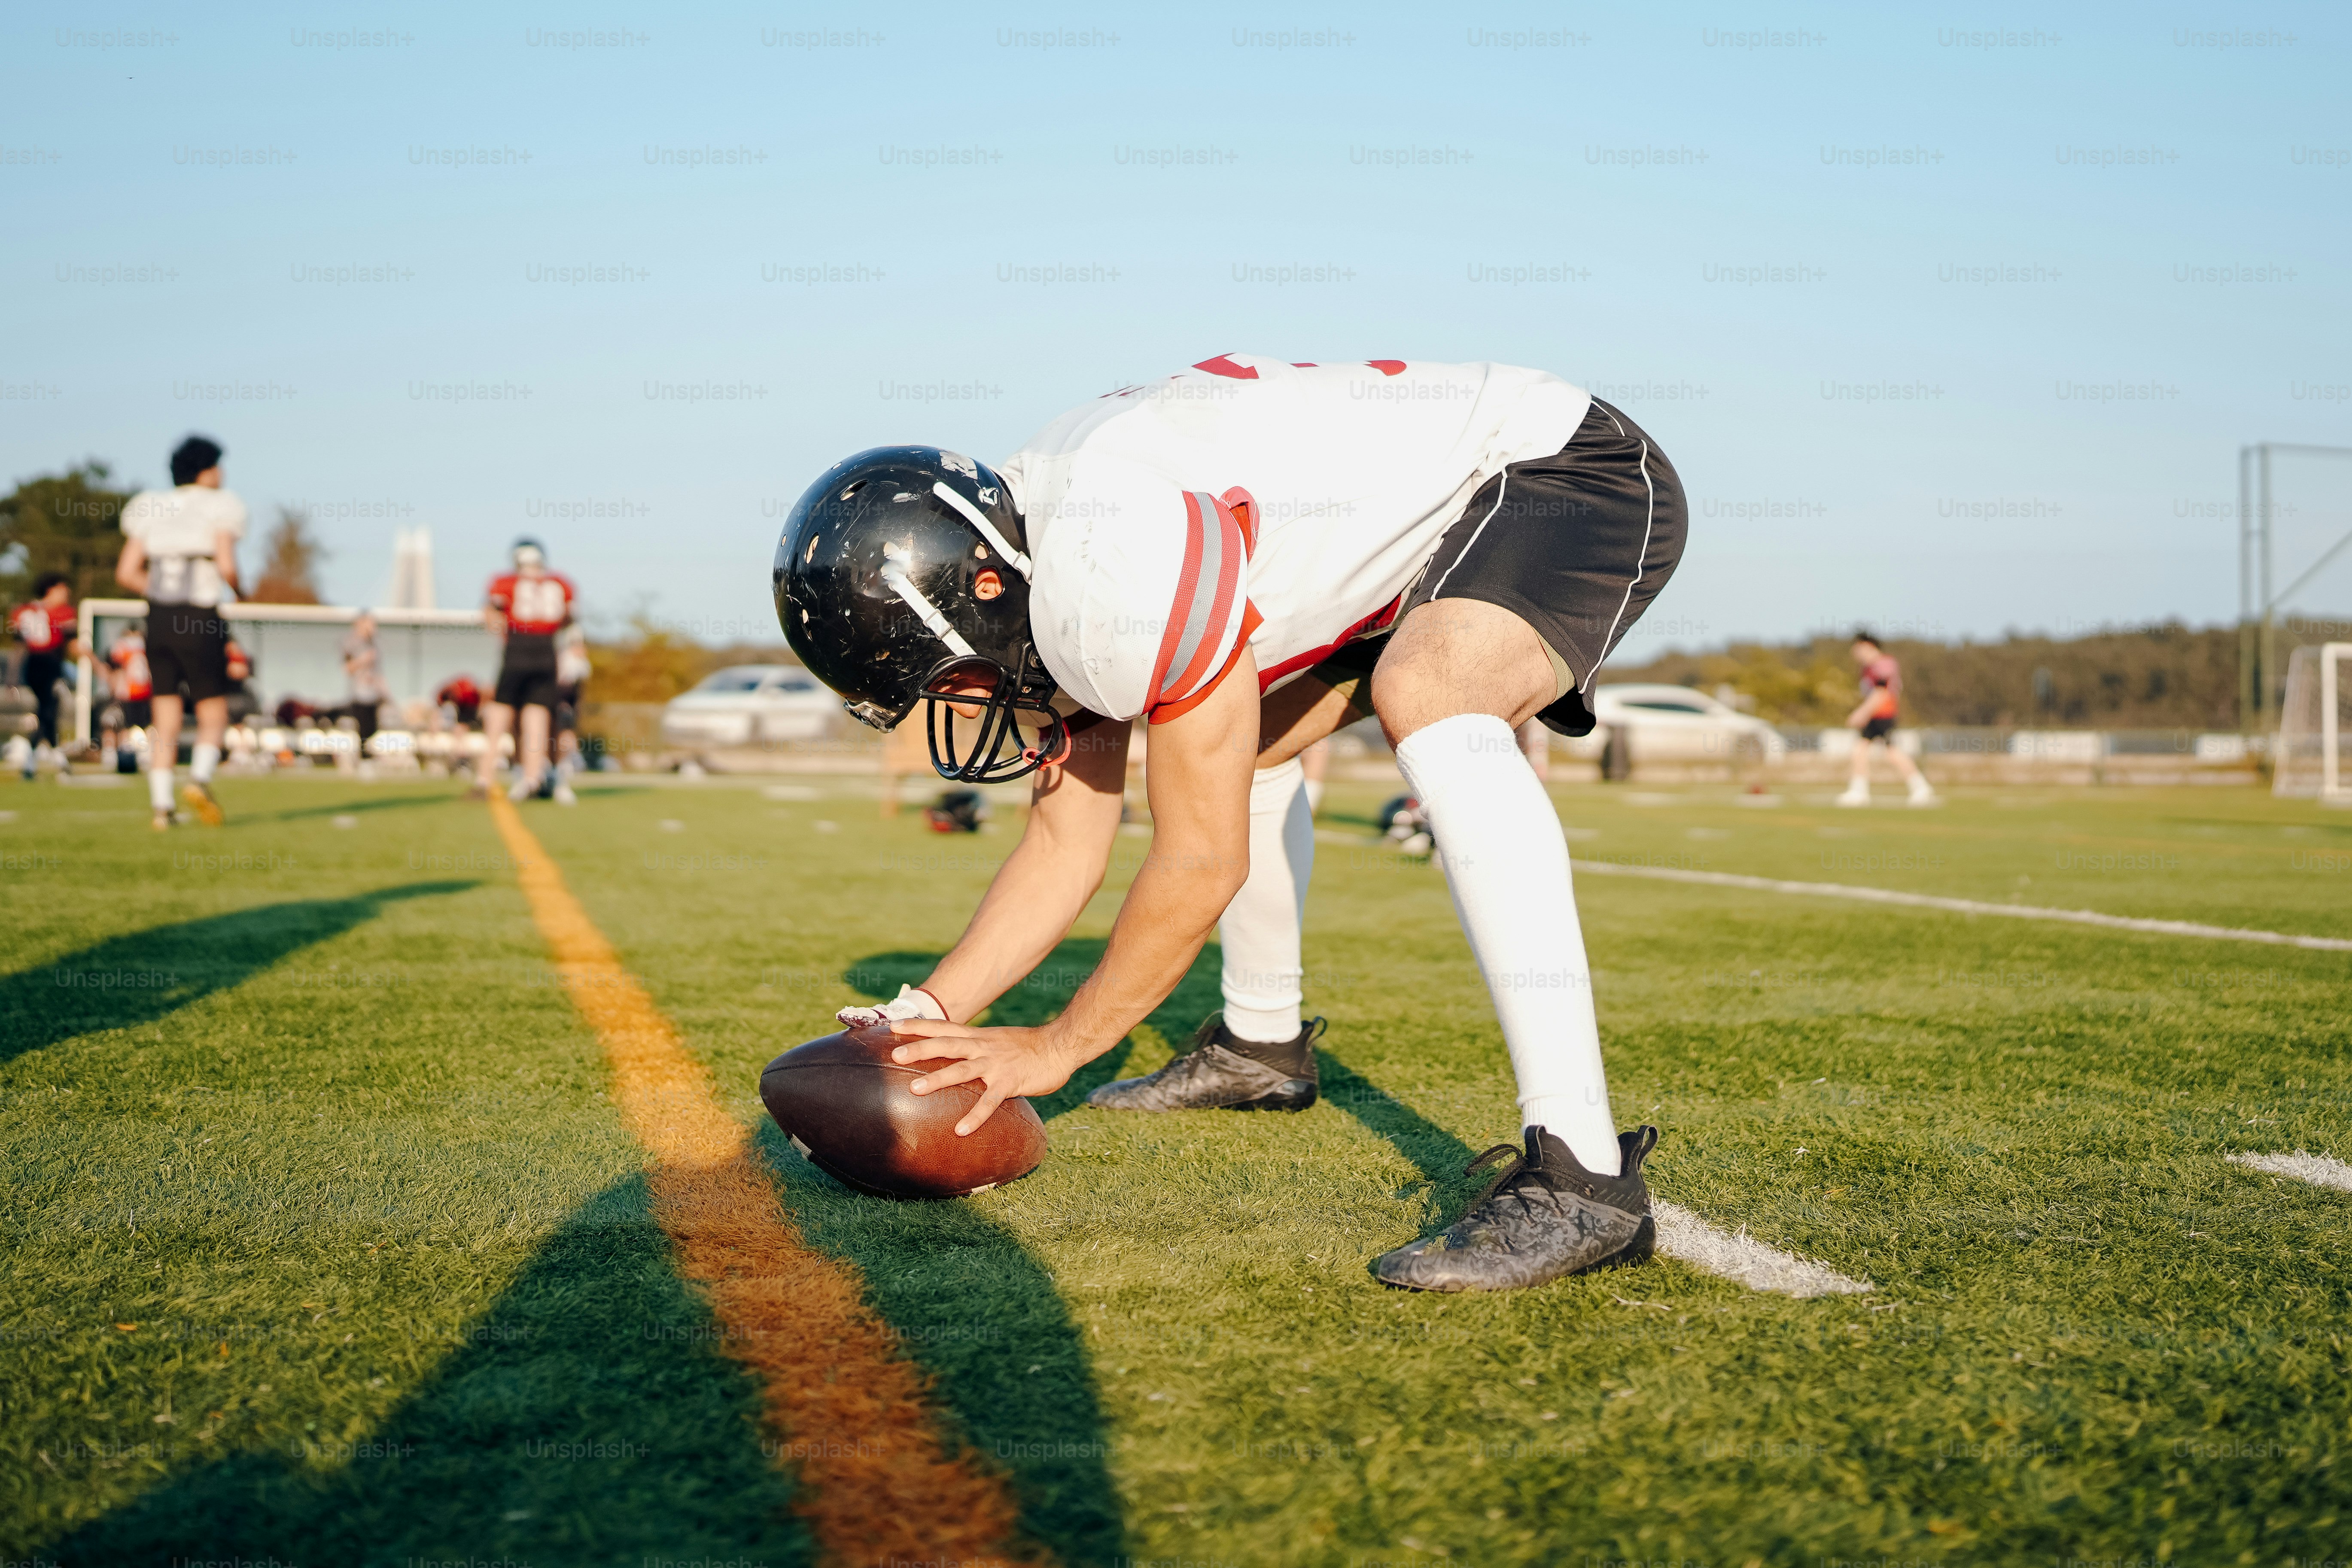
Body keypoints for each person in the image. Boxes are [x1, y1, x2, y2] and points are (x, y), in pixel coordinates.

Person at [784, 354, 1686, 1293]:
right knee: (1240, 751)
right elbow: (1062, 841)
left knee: (1429, 691)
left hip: (1553, 468)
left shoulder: (1110, 565)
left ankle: (1583, 1174)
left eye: (952, 679)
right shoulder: (1024, 556)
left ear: (975, 593)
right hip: (1399, 535)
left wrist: (1057, 1044)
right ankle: (1260, 1046)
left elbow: (1200, 860)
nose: (966, 707)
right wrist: (924, 1016)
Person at [116, 435, 245, 829]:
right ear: (206, 470)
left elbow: (125, 573)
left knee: (165, 715)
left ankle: (161, 808)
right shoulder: (221, 506)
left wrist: (156, 592)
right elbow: (227, 566)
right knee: (213, 710)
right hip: (200, 616)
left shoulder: (149, 507)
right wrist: (242, 593)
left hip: (158, 619)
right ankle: (201, 781)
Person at [475, 539, 575, 801]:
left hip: (518, 648)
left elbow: (491, 616)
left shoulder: (507, 582)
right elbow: (568, 618)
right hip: (547, 652)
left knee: (499, 717)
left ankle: (485, 778)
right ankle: (533, 778)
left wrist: (502, 629)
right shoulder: (561, 583)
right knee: (537, 719)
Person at [1837, 630, 1935, 807]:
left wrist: (1862, 713)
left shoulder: (1883, 664)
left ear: (1868, 646)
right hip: (1874, 715)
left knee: (1893, 752)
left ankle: (1920, 787)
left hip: (1884, 714)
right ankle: (1859, 791)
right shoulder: (1867, 668)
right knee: (1860, 750)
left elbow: (1881, 693)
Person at [10, 572, 80, 781]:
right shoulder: (62, 613)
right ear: (51, 590)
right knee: (48, 710)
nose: (66, 592)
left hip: (33, 666)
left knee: (47, 710)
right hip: (49, 665)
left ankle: (39, 760)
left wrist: (12, 677)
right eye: (62, 588)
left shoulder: (24, 610)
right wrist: (98, 664)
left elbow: (18, 647)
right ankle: (51, 758)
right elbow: (74, 646)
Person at [100, 620, 152, 772]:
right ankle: (138, 755)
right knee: (132, 726)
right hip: (138, 693)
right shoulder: (145, 646)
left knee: (131, 727)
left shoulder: (123, 646)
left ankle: (130, 755)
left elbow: (113, 667)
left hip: (132, 693)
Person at [545, 623, 588, 804]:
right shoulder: (561, 656)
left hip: (564, 703)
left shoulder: (578, 662)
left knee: (564, 734)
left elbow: (575, 687)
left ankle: (563, 769)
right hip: (553, 699)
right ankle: (545, 772)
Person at [341, 612, 388, 776]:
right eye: (370, 624)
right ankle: (363, 763)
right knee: (363, 730)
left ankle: (368, 760)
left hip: (374, 695)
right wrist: (363, 660)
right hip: (359, 695)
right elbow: (347, 669)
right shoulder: (351, 644)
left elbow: (378, 673)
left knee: (374, 729)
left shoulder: (375, 645)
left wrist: (385, 691)